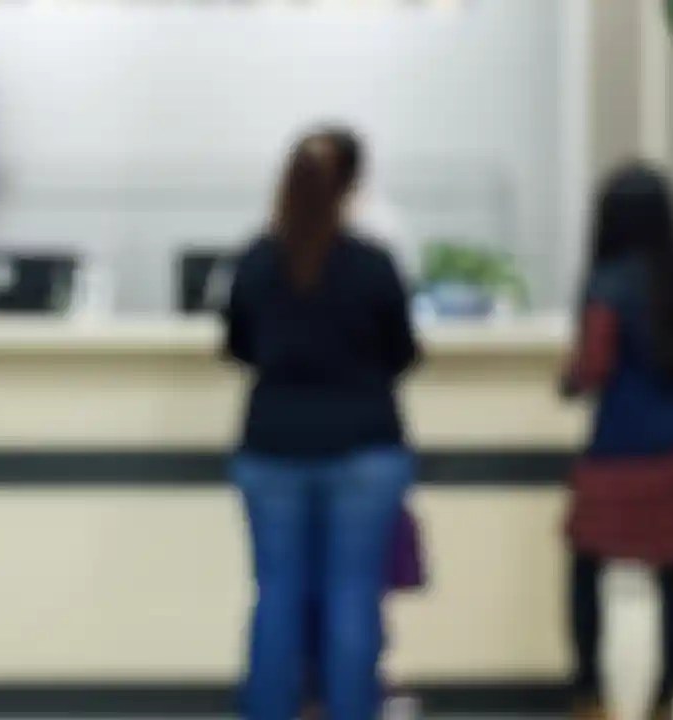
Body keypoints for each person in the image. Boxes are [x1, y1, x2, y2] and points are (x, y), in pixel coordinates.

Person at [224, 128, 420, 720]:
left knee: (277, 597)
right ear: (350, 189)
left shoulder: (257, 262)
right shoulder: (373, 264)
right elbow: (403, 353)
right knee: (353, 599)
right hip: (365, 450)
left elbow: (238, 347)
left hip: (272, 448)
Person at [562, 165, 673, 720]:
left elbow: (594, 365)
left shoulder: (605, 283)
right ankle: (665, 700)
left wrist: (568, 379)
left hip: (620, 449)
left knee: (586, 567)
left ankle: (591, 695)